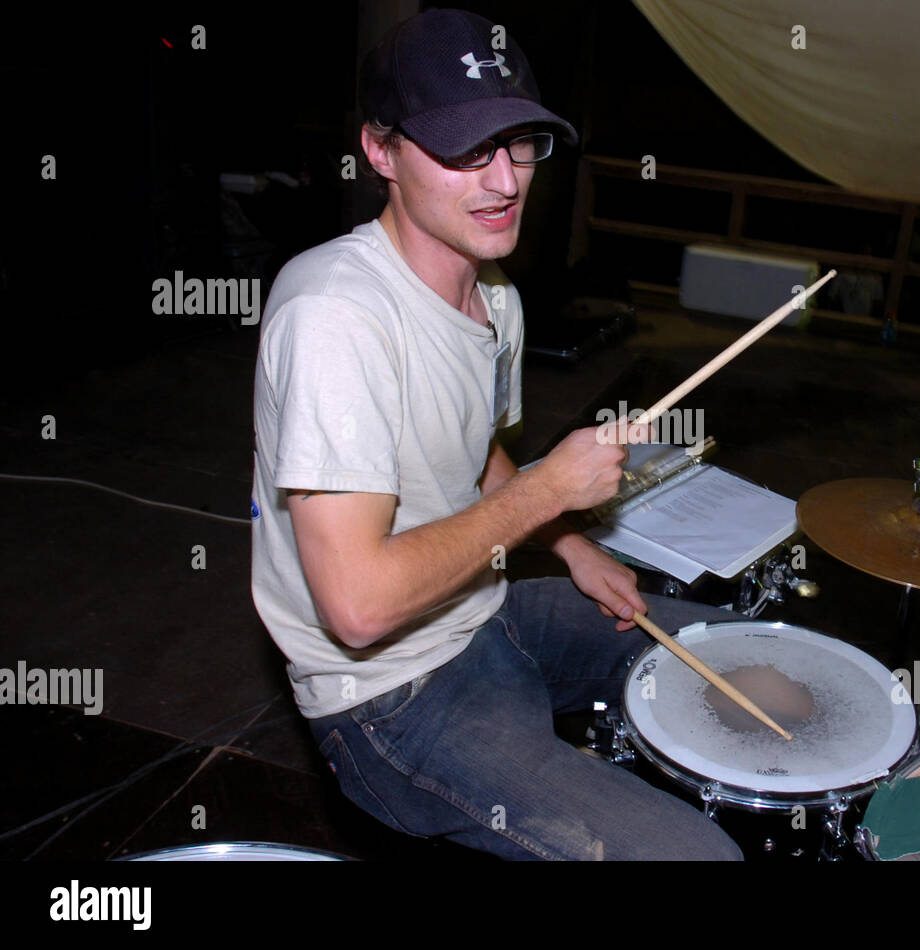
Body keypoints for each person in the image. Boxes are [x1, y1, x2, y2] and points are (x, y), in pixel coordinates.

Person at [250, 8, 742, 861]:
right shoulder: (336, 315)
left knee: (729, 663)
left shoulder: (497, 297)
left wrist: (572, 545)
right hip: (388, 694)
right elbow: (358, 607)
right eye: (465, 150)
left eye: (518, 144)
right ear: (380, 151)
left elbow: (475, 452)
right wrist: (549, 491)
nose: (506, 181)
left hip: (484, 607)